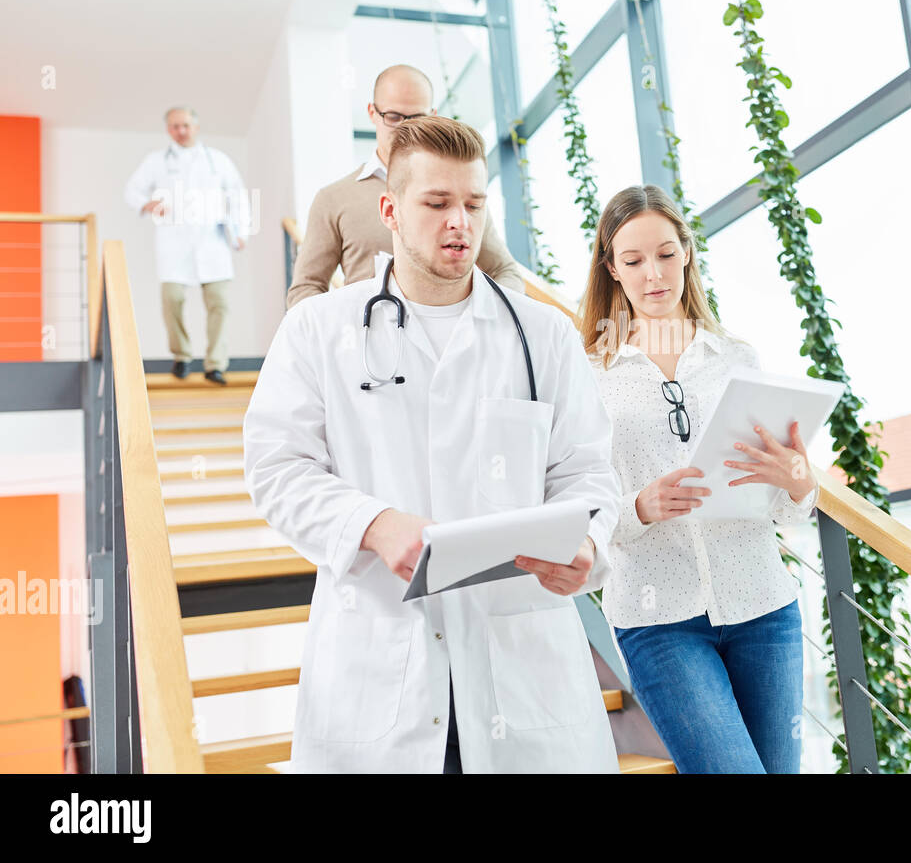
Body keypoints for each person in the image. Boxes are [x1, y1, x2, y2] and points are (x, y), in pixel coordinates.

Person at [243, 116, 622, 773]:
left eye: (474, 205)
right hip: (380, 670)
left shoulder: (543, 335)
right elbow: (277, 468)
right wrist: (374, 524)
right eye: (438, 203)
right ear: (390, 209)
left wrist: (588, 543)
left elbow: (586, 469)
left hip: (521, 670)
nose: (460, 223)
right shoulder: (317, 330)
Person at [579, 184, 818, 774]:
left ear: (686, 252)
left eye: (665, 254)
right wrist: (639, 505)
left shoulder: (736, 358)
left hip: (764, 605)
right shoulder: (589, 374)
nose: (653, 274)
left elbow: (788, 509)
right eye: (633, 261)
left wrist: (795, 481)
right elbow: (580, 502)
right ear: (612, 269)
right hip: (658, 623)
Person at [286, 64, 524, 309]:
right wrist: (344, 330)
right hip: (368, 338)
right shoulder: (334, 199)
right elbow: (306, 288)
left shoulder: (459, 198)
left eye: (417, 118)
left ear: (432, 115)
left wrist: (490, 320)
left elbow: (503, 270)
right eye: (393, 117)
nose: (404, 128)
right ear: (372, 113)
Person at [124, 106, 250, 384]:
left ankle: (215, 364)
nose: (180, 131)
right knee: (172, 301)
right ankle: (181, 356)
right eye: (174, 126)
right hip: (174, 242)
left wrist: (242, 231)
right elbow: (131, 190)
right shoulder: (156, 161)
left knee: (220, 303)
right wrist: (146, 203)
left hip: (212, 242)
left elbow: (238, 195)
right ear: (168, 129)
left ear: (196, 126)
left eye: (185, 125)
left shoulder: (217, 160)